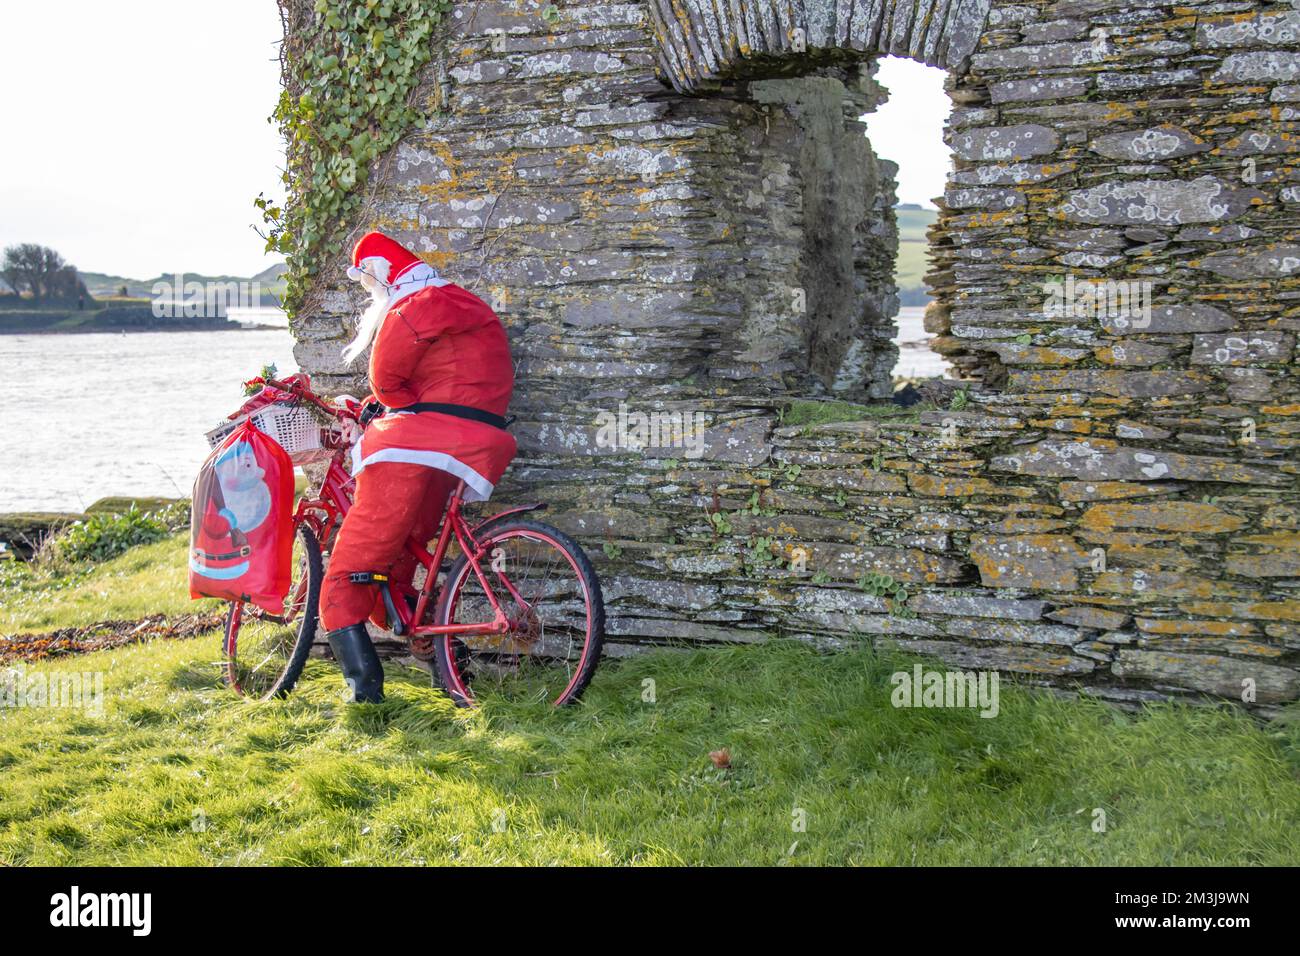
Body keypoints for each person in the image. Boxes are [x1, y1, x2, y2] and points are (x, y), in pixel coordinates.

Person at [320, 231, 517, 702]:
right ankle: (448, 667)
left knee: (355, 560)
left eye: (369, 282)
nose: (371, 292)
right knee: (405, 552)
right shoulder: (463, 302)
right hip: (478, 440)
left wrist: (393, 406)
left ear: (384, 275)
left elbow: (386, 378)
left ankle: (364, 694)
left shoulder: (414, 302)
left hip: (419, 442)